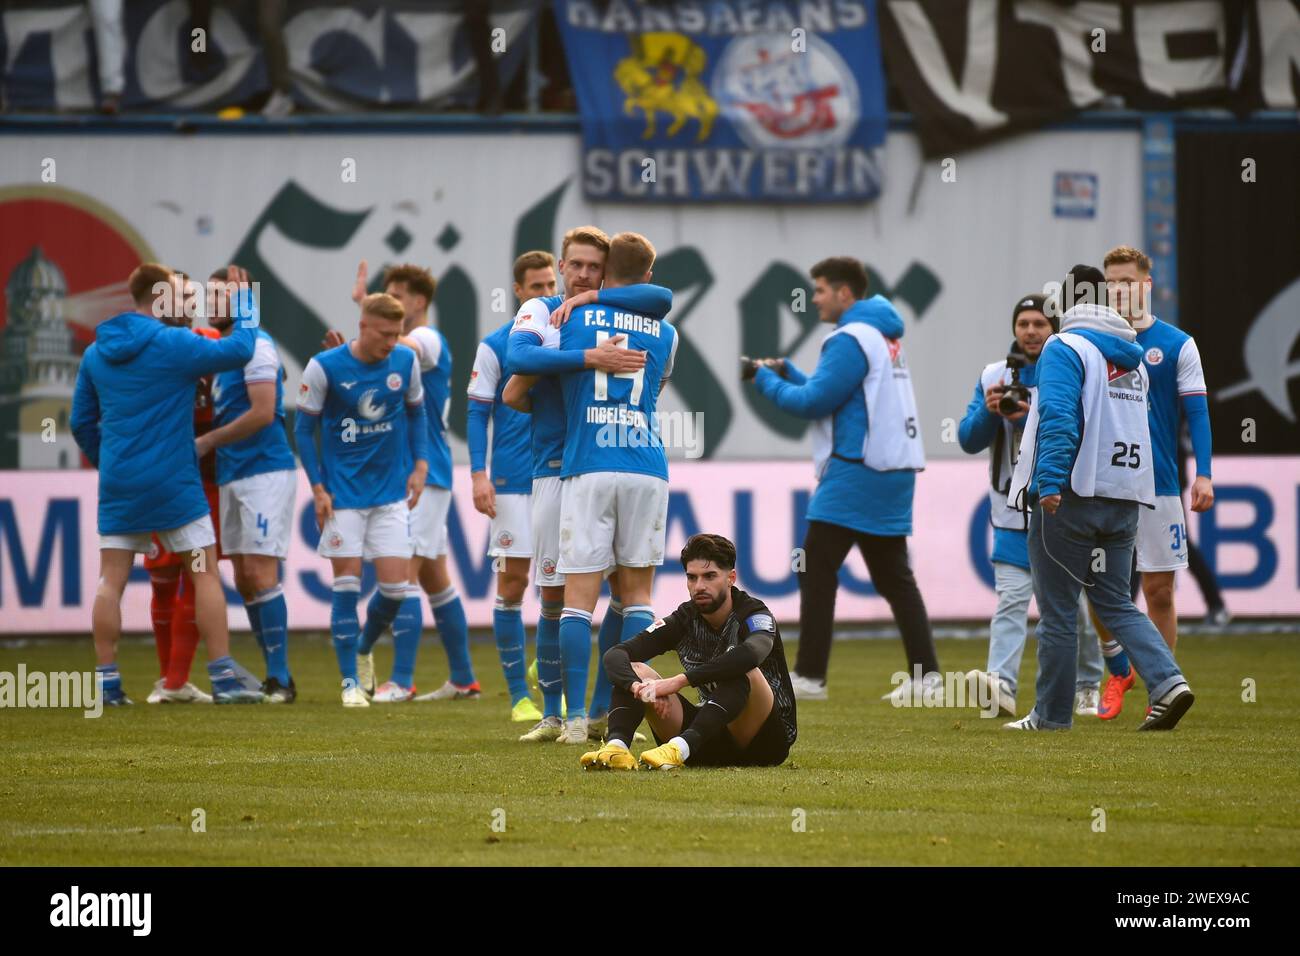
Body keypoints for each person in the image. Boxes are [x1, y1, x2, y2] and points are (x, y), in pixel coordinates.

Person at [1004, 265, 1194, 731]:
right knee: (1114, 602)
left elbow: (1058, 416)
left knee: (1059, 611)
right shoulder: (1132, 358)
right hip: (1124, 496)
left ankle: (1050, 717)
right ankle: (1168, 681)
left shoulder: (1065, 347)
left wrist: (1048, 481)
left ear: (1064, 307)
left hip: (1070, 496)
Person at [745, 256, 939, 703]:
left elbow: (812, 403)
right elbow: (843, 393)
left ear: (844, 293)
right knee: (894, 578)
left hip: (857, 471)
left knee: (815, 566)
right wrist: (789, 373)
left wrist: (761, 380)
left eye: (819, 290)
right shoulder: (883, 335)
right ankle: (927, 678)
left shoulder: (848, 338)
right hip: (892, 469)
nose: (813, 299)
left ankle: (810, 676)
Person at [70, 263, 264, 705]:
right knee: (204, 573)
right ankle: (223, 678)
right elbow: (240, 350)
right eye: (181, 293)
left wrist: (111, 463)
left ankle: (106, 681)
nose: (190, 300)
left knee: (110, 581)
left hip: (121, 484)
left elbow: (80, 422)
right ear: (160, 298)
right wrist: (247, 300)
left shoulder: (96, 353)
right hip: (175, 484)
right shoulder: (175, 343)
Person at [510, 232, 676, 745]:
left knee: (581, 601)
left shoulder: (571, 319)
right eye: (575, 267)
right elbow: (519, 369)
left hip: (587, 464)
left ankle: (582, 717)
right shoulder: (662, 331)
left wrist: (587, 313)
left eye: (593, 269)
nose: (582, 276)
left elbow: (515, 389)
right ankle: (611, 715)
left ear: (606, 272)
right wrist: (591, 360)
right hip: (643, 465)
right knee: (628, 599)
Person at [959, 294, 1103, 717]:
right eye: (1023, 323)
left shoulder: (1070, 368)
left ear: (1055, 329)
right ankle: (1001, 685)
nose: (1030, 331)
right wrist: (991, 413)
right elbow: (968, 439)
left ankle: (1089, 681)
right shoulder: (994, 374)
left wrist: (1025, 419)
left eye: (1040, 323)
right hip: (1010, 508)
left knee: (1071, 605)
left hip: (1060, 506)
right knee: (1011, 600)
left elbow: (1077, 432)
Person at [1090, 245, 1215, 720]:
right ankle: (1117, 665)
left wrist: (1203, 473)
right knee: (1099, 589)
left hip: (1158, 485)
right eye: (1112, 282)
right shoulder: (1093, 342)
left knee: (1159, 591)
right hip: (1104, 483)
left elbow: (1197, 411)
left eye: (1128, 281)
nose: (1120, 290)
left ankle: (1160, 694)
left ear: (1147, 283)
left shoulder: (1178, 344)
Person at [295, 292, 428, 707]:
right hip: (343, 498)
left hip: (390, 495)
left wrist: (420, 464)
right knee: (347, 585)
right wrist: (317, 488)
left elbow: (417, 413)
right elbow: (303, 430)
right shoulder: (324, 368)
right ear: (363, 326)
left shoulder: (405, 362)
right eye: (386, 334)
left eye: (398, 333)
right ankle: (350, 682)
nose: (392, 341)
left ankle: (364, 647)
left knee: (394, 589)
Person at [582, 534, 797, 771]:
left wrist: (679, 682)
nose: (699, 586)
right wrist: (640, 688)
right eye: (692, 578)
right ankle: (618, 748)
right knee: (636, 670)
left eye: (710, 576)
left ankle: (681, 746)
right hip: (710, 735)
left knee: (744, 669)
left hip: (764, 742)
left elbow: (751, 654)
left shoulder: (755, 614)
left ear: (730, 578)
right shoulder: (683, 619)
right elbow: (616, 654)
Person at [202, 266, 298, 703]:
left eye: (224, 295)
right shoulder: (224, 352)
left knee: (261, 572)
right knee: (242, 577)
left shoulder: (256, 343)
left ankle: (281, 679)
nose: (212, 302)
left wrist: (208, 441)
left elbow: (263, 411)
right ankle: (269, 676)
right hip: (233, 473)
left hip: (264, 470)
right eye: (211, 295)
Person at [464, 259, 554, 719]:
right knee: (514, 582)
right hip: (512, 482)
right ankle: (519, 695)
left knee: (564, 584)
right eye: (535, 286)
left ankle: (552, 674)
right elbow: (478, 412)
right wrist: (479, 475)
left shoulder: (569, 336)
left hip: (560, 473)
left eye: (550, 284)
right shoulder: (497, 345)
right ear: (519, 290)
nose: (544, 291)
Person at [142, 271, 222, 705]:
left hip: (203, 478)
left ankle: (175, 681)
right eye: (180, 294)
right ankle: (166, 679)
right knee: (160, 577)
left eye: (193, 294)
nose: (189, 300)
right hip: (159, 475)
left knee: (196, 575)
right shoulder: (146, 347)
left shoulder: (209, 339)